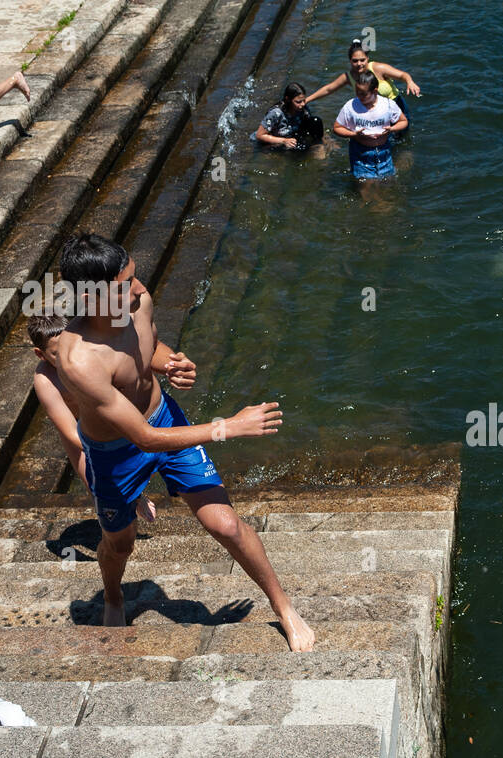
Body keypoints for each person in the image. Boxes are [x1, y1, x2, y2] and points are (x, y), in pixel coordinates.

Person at [51, 233, 315, 650]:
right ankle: (115, 595)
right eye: (126, 285)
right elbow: (143, 437)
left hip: (165, 418)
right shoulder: (78, 360)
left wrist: (172, 364)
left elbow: (147, 347)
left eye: (135, 277)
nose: (139, 290)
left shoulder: (138, 302)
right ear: (92, 298)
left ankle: (284, 607)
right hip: (116, 452)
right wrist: (228, 426)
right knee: (121, 543)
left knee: (225, 523)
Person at [29, 311, 198, 524]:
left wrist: (171, 367)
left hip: (118, 413)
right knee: (96, 486)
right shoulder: (46, 380)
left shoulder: (91, 350)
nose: (65, 358)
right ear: (40, 354)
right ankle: (134, 501)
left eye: (67, 348)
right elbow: (72, 433)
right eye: (55, 354)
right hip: (83, 431)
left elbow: (147, 347)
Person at [304, 39, 420, 118]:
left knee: (401, 138)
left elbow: (402, 75)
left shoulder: (378, 68)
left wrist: (409, 82)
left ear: (367, 58)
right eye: (355, 61)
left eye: (362, 60)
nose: (359, 64)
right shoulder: (349, 77)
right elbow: (328, 89)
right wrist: (307, 100)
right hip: (373, 111)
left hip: (395, 106)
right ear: (350, 61)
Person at [332, 71, 407, 180]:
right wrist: (353, 134)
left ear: (375, 91)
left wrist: (392, 129)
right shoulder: (350, 106)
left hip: (384, 151)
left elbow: (403, 121)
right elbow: (337, 128)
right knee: (366, 186)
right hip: (360, 153)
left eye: (363, 93)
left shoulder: (388, 105)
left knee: (388, 183)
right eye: (357, 92)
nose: (359, 96)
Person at [254, 81, 326, 151]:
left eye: (304, 100)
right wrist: (284, 141)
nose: (303, 104)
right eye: (298, 102)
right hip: (277, 140)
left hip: (293, 134)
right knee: (300, 147)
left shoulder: (302, 109)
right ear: (288, 99)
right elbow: (260, 135)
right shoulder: (276, 113)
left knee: (316, 121)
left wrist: (326, 139)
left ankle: (319, 144)